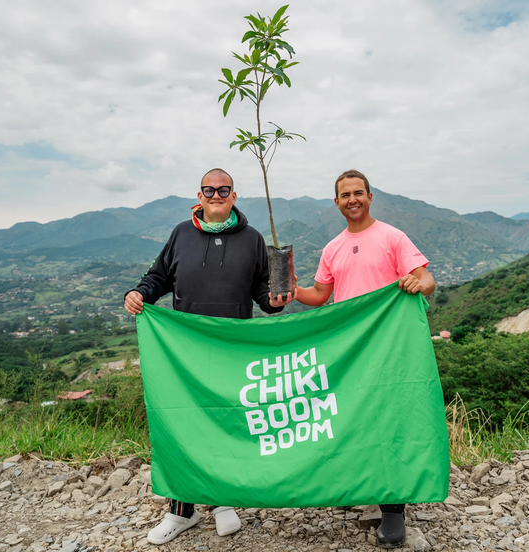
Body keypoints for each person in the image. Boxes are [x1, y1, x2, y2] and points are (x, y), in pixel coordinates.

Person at [124, 168, 294, 544]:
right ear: (199, 197)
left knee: (226, 423)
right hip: (186, 352)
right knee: (186, 425)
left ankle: (221, 500)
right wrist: (139, 294)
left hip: (233, 351)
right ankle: (180, 512)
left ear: (234, 196)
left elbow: (262, 293)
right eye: (209, 190)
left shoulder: (252, 239)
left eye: (223, 190)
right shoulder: (181, 234)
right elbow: (158, 278)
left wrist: (277, 302)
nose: (216, 195)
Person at [295, 169, 436, 549]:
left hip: (390, 350)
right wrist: (292, 291)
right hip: (350, 351)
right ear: (337, 202)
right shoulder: (332, 247)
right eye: (345, 195)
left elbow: (426, 279)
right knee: (353, 418)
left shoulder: (392, 237)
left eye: (359, 193)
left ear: (370, 197)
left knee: (389, 421)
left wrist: (415, 282)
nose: (353, 199)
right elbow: (321, 295)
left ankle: (393, 510)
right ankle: (360, 485)